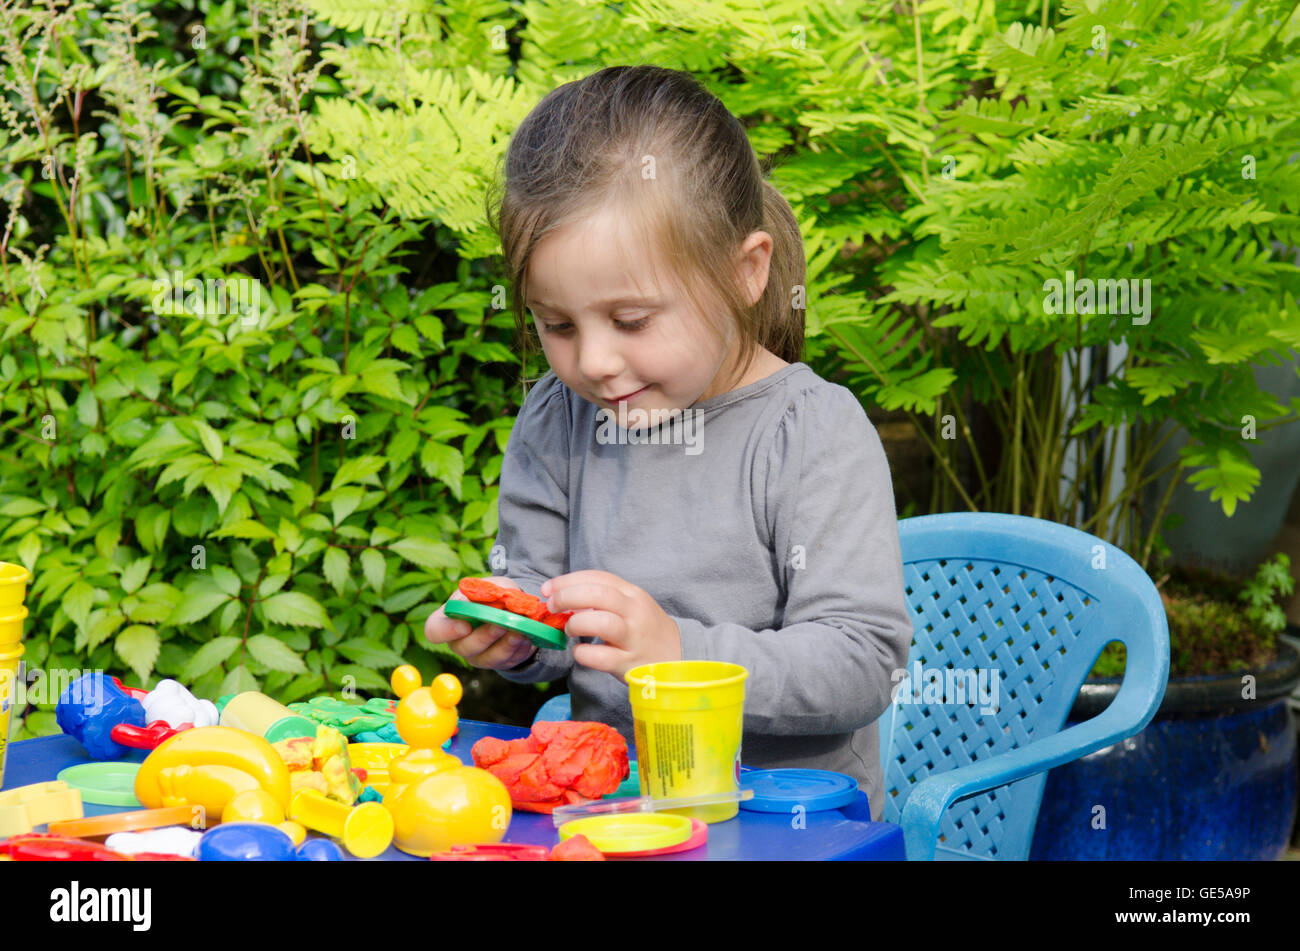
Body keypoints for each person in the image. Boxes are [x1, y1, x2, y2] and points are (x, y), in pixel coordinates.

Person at [424, 64, 913, 820]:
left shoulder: (813, 432)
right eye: (557, 325)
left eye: (630, 320)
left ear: (746, 271)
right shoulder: (559, 417)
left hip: (786, 828)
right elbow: (550, 612)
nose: (592, 361)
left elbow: (860, 662)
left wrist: (676, 653)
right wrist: (515, 636)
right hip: (614, 816)